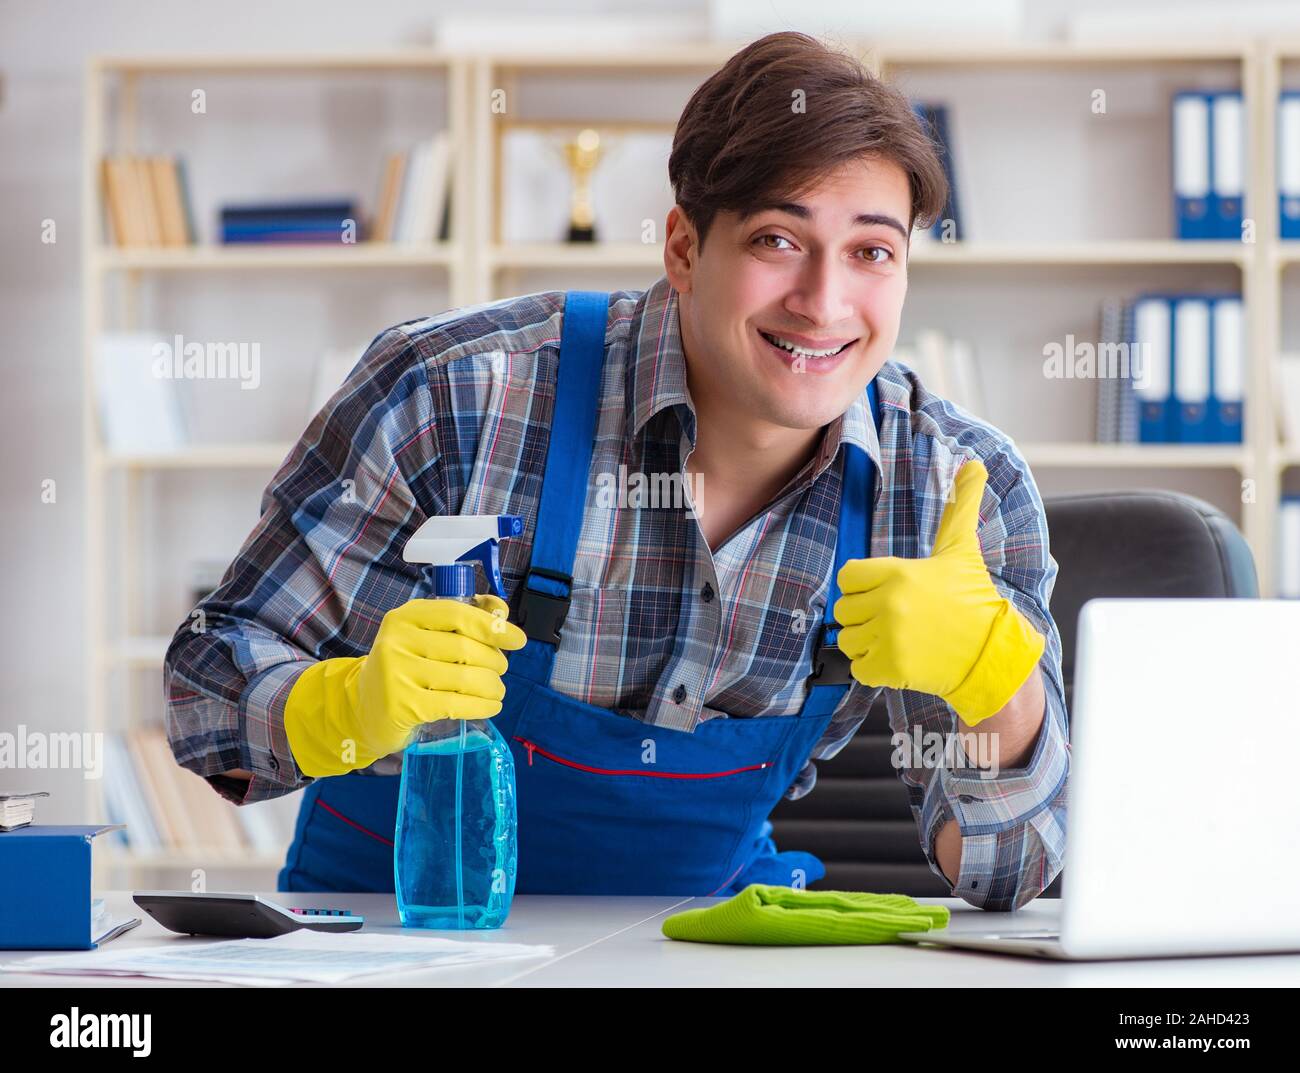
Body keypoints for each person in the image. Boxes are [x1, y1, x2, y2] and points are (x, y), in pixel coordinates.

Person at [164, 31, 1068, 910]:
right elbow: (205, 690)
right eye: (776, 241)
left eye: (872, 252)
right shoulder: (455, 395)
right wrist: (341, 704)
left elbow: (1005, 877)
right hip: (398, 940)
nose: (824, 302)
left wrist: (999, 683)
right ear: (682, 247)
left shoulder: (951, 490)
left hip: (690, 951)